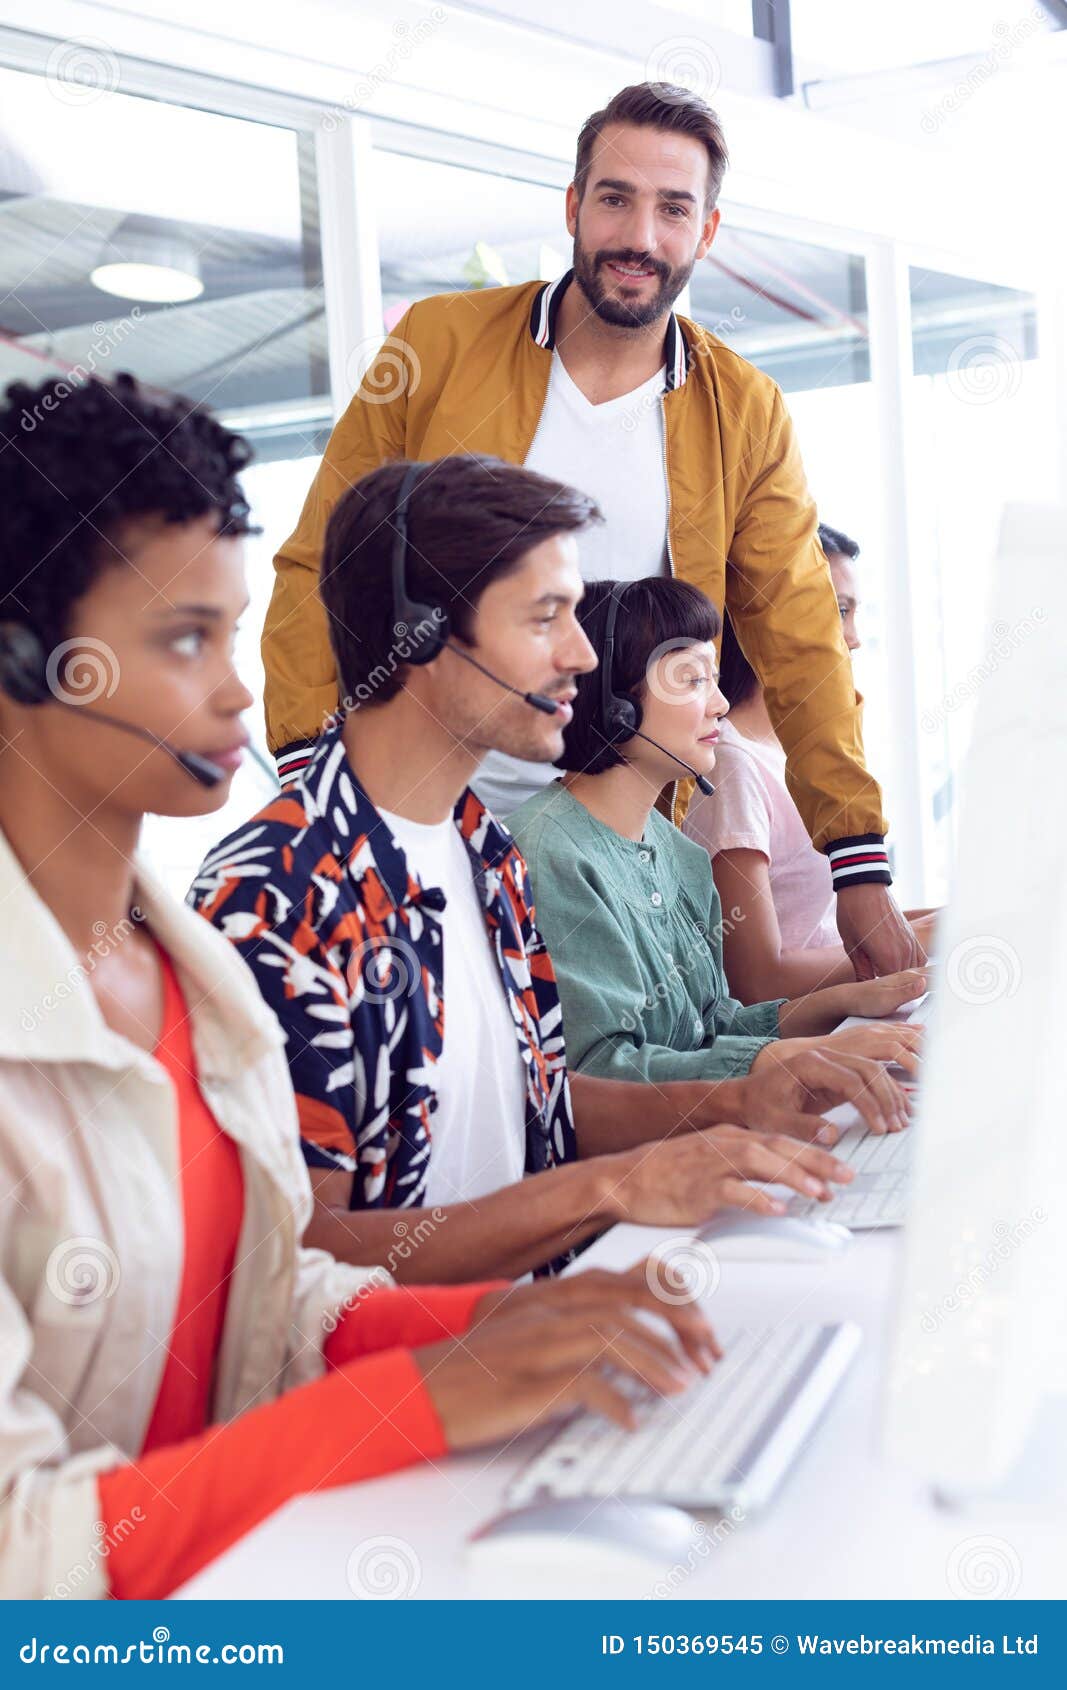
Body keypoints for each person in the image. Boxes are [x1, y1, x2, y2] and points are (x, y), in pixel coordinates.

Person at [0, 373, 721, 1601]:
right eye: (183, 639)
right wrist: (423, 1393)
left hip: (263, 1568)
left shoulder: (185, 974)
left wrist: (486, 1329)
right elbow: (28, 1553)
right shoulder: (259, 903)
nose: (239, 692)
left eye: (230, 633)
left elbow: (270, 1302)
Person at [192, 455, 915, 1284]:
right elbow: (294, 1260)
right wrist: (607, 1188)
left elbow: (539, 1101)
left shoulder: (485, 853)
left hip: (543, 1309)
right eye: (545, 619)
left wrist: (742, 1096)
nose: (580, 654)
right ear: (419, 635)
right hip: (434, 1355)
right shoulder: (278, 894)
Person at [260, 80, 923, 982]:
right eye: (615, 199)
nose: (639, 237)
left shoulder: (745, 409)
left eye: (672, 209)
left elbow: (801, 634)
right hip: (416, 813)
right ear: (573, 206)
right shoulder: (440, 342)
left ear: (706, 232)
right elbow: (321, 561)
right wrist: (314, 785)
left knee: (613, 1063)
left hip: (616, 848)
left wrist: (857, 861)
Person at [507, 577, 927, 1093]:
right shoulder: (547, 853)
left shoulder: (677, 853)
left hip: (714, 1132)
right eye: (692, 680)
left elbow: (714, 1029)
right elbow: (603, 1074)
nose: (721, 704)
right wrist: (801, 1055)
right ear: (615, 700)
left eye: (715, 679)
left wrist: (850, 1003)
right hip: (658, 1147)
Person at [684, 525, 938, 1003]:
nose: (854, 639)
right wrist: (929, 939)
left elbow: (824, 933)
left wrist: (953, 922)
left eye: (855, 613)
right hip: (807, 1034)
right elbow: (757, 982)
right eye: (840, 612)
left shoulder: (805, 757)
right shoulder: (732, 764)